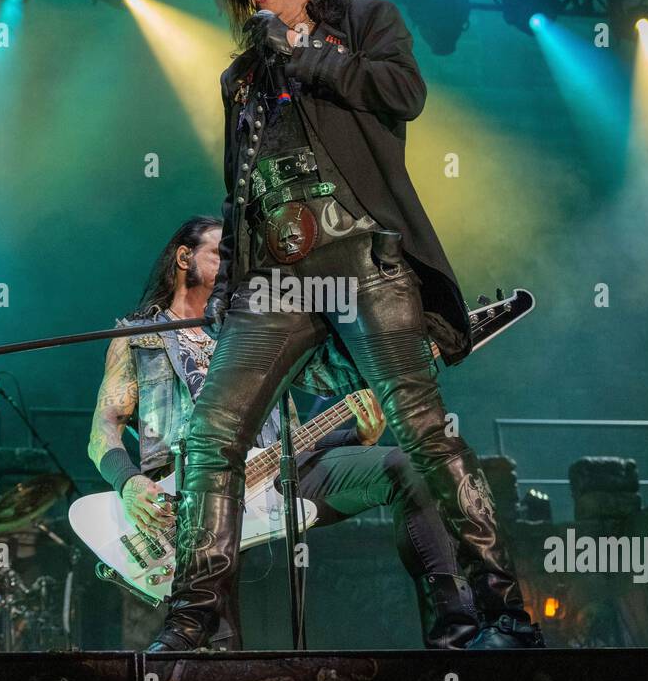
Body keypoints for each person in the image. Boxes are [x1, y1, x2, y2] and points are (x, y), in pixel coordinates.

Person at [147, 0, 542, 652]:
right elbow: (243, 194)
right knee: (210, 432)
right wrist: (234, 288)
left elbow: (403, 93)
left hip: (363, 257)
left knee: (424, 433)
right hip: (279, 283)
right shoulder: (241, 78)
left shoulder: (365, 22)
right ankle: (200, 620)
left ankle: (503, 613)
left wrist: (302, 48)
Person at [89, 215, 481, 648]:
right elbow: (103, 430)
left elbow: (293, 438)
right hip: (197, 492)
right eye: (221, 254)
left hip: (283, 473)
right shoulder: (140, 337)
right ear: (184, 257)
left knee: (410, 467)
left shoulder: (256, 330)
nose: (234, 269)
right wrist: (129, 484)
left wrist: (355, 436)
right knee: (217, 653)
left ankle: (456, 638)